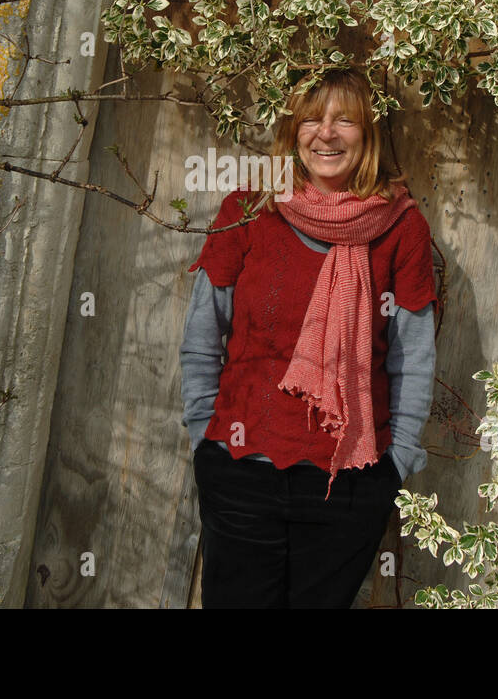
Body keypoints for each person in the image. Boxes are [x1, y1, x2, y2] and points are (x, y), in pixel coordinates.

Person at [179, 66, 439, 609]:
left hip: (349, 483)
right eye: (311, 120)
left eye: (345, 120)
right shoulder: (250, 207)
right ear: (291, 131)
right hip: (241, 470)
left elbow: (412, 358)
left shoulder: (400, 227)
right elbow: (203, 333)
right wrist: (205, 439)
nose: (326, 133)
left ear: (368, 133)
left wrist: (396, 463)